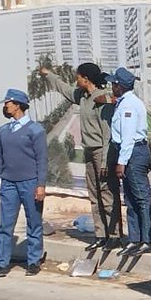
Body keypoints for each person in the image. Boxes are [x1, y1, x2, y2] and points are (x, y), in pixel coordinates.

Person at [40, 62, 120, 249]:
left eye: (78, 76)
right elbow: (64, 89)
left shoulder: (101, 98)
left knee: (107, 193)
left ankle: (114, 235)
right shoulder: (82, 97)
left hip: (102, 150)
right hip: (89, 150)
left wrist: (106, 161)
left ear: (86, 78)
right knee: (94, 194)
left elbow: (107, 132)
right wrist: (48, 75)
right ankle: (101, 235)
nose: (76, 79)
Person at [0, 88, 47, 278]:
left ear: (18, 105)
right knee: (5, 225)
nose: (5, 107)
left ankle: (33, 261)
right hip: (9, 184)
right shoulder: (4, 131)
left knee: (34, 223)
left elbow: (42, 160)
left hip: (30, 183)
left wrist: (41, 185)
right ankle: (2, 263)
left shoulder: (35, 130)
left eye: (8, 103)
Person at [108, 68, 151, 255]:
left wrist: (122, 161)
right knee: (130, 198)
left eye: (114, 84)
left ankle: (148, 240)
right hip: (130, 152)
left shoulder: (128, 105)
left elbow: (128, 136)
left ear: (120, 86)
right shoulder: (124, 103)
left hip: (133, 153)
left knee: (141, 197)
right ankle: (134, 239)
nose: (112, 86)